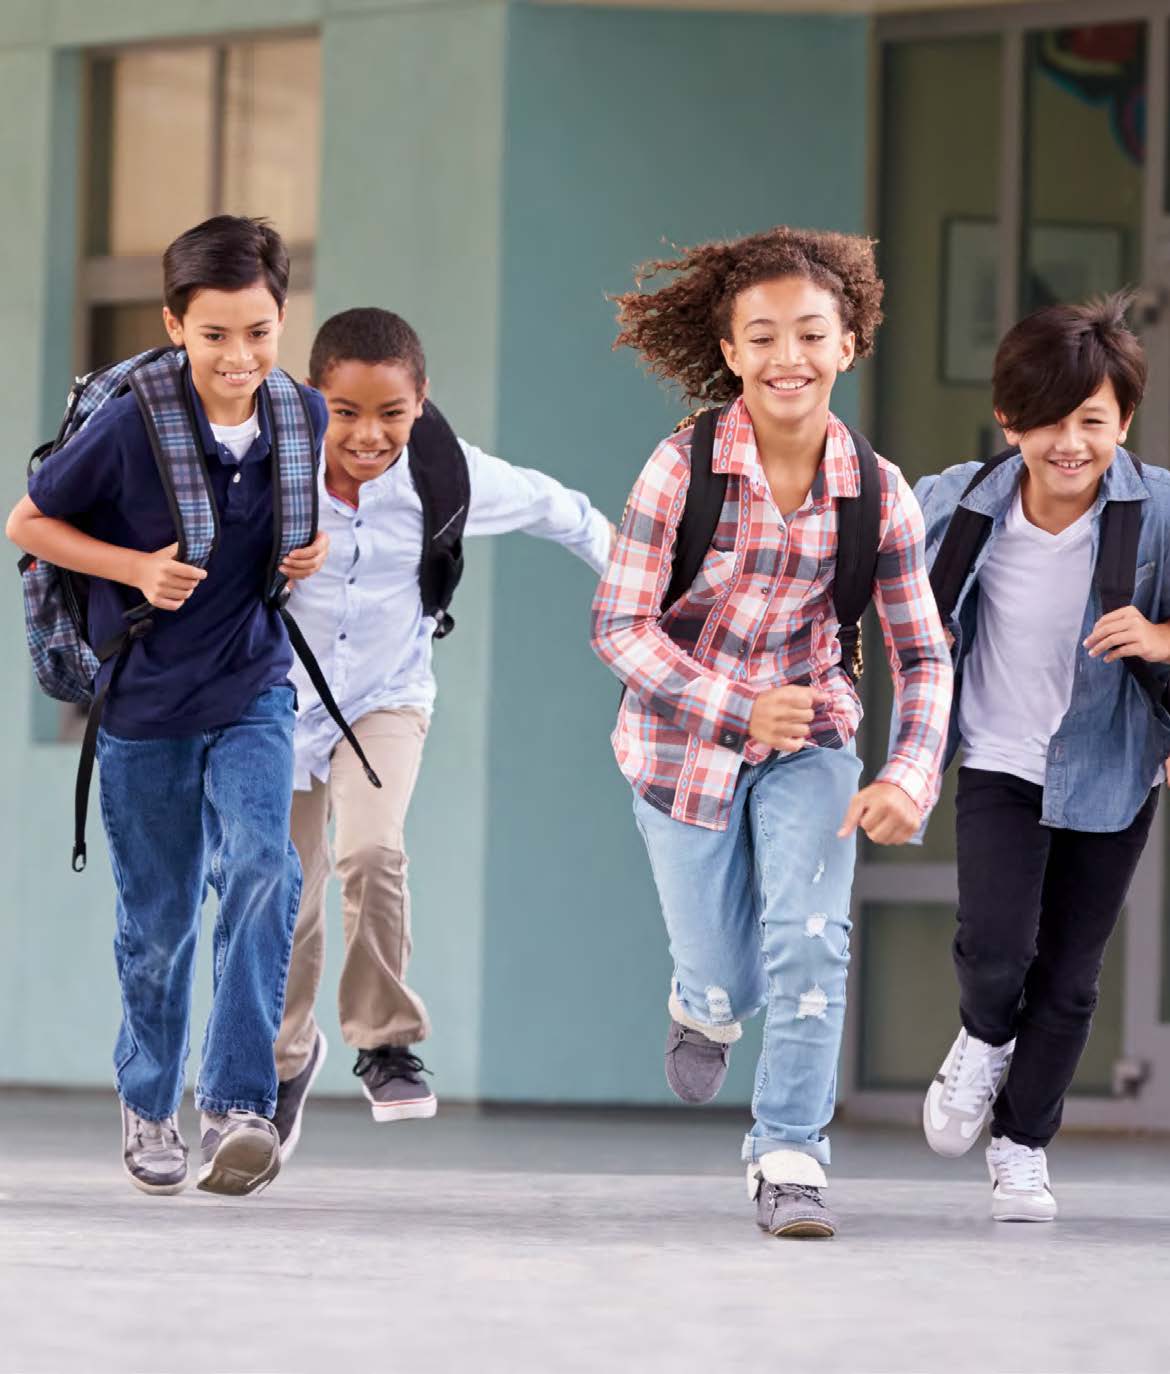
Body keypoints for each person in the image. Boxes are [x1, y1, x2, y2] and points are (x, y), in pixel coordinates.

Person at [590, 226, 952, 1238]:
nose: (788, 357)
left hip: (814, 741)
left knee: (809, 942)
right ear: (733, 352)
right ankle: (702, 1000)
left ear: (848, 344)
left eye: (810, 334)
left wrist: (909, 775)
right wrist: (733, 704)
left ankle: (789, 1155)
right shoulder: (679, 470)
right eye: (763, 338)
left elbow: (923, 655)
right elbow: (616, 627)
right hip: (677, 753)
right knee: (727, 971)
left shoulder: (880, 495)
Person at [7, 215, 330, 1197]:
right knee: (160, 922)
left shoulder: (301, 415)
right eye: (216, 335)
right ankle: (149, 1101)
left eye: (260, 332)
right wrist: (134, 567)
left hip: (249, 687)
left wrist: (303, 552)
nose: (240, 357)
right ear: (175, 324)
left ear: (282, 321)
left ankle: (236, 1102)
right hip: (144, 702)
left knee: (265, 868)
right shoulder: (130, 422)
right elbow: (28, 519)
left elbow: (285, 531)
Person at [272, 307, 614, 1158]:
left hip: (385, 700)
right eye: (345, 411)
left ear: (421, 402)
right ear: (316, 399)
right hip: (275, 703)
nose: (367, 434)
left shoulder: (445, 474)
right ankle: (281, 1058)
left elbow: (564, 511)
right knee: (285, 891)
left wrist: (646, 600)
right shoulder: (274, 472)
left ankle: (385, 1039)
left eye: (391, 413)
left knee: (370, 851)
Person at [918, 294, 1168, 1222]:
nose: (1071, 442)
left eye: (1093, 421)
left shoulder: (1160, 511)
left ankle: (1022, 1148)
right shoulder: (957, 501)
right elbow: (862, 575)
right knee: (998, 953)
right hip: (996, 759)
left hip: (1112, 768)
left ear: (1124, 421)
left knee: (1068, 980)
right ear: (1010, 418)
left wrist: (1157, 634)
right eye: (1049, 420)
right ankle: (982, 1040)